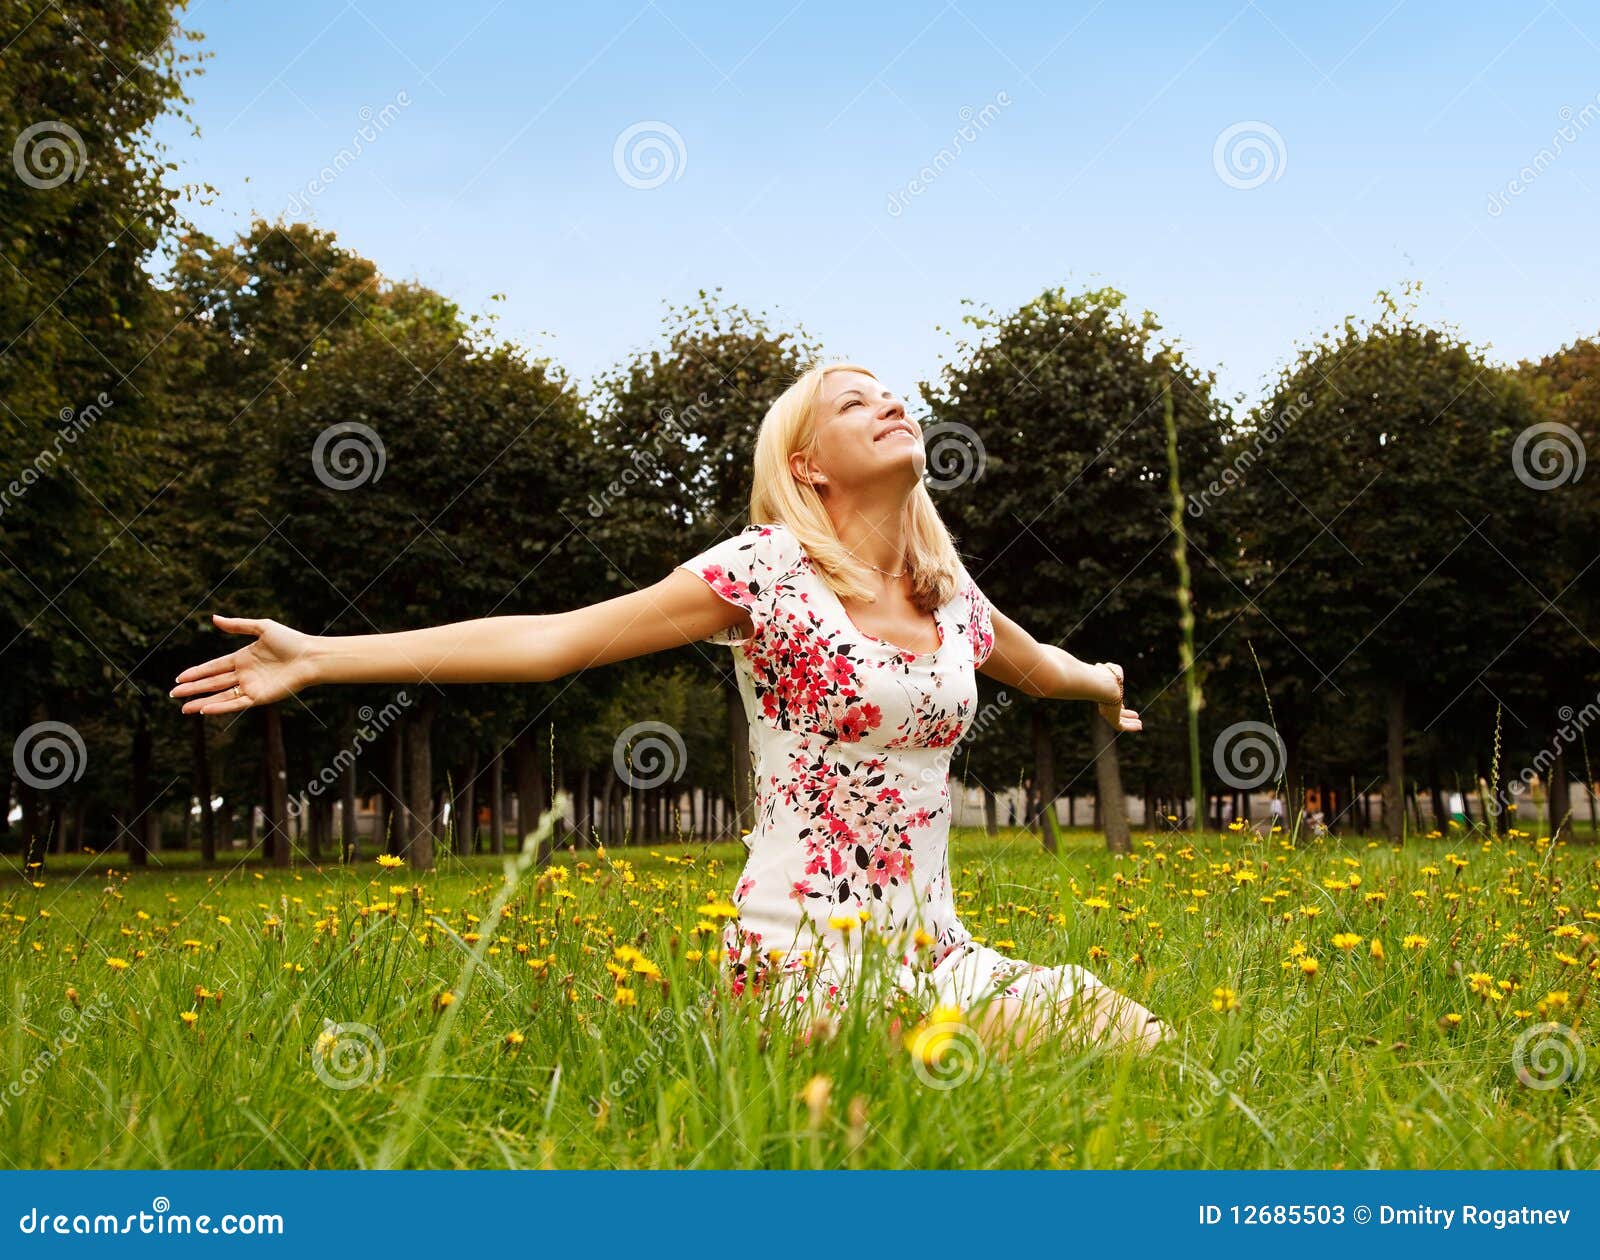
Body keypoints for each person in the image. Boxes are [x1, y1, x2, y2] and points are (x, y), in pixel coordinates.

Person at [170, 362, 1170, 1054]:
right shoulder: (765, 571)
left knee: (1127, 1034)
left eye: (892, 394)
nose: (888, 404)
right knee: (983, 1060)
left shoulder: (949, 597)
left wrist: (1104, 685)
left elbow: (1043, 671)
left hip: (935, 950)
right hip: (804, 958)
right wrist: (321, 657)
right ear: (807, 465)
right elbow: (551, 639)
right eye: (852, 403)